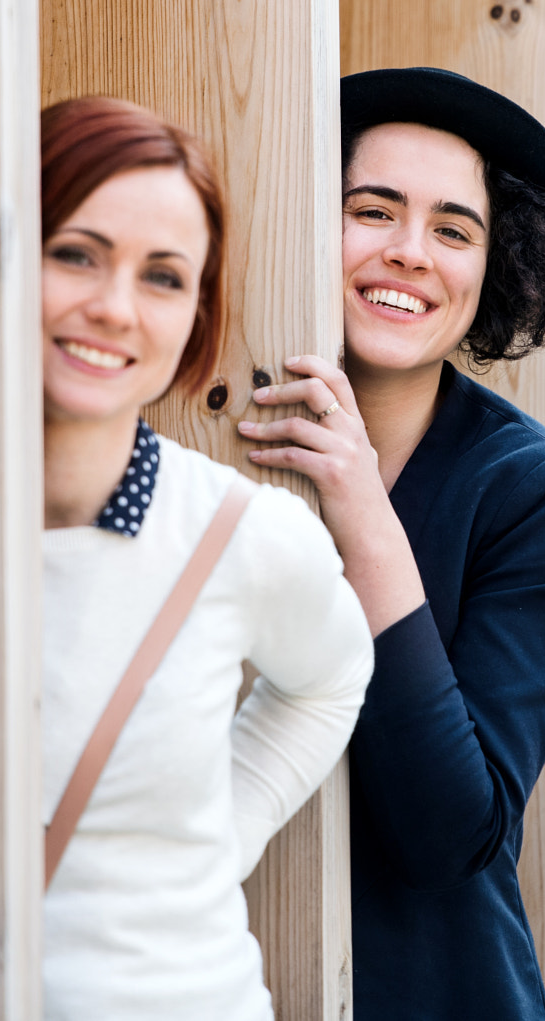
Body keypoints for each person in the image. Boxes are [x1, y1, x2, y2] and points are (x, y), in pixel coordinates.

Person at [236, 67, 545, 1019]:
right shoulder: (214, 429)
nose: (411, 253)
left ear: (495, 267)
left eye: (454, 229)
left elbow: (445, 833)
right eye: (373, 210)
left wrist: (361, 505)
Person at [38, 96, 374, 1021]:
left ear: (196, 313)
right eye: (75, 253)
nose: (112, 307)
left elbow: (335, 674)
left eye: (163, 276)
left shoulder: (238, 533)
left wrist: (222, 832)